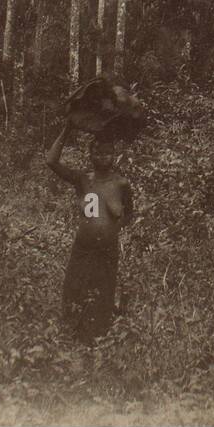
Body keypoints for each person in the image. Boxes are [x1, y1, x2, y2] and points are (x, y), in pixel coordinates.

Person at [45, 123, 134, 342]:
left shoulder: (121, 184)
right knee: (75, 287)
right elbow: (51, 161)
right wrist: (67, 130)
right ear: (90, 154)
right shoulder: (83, 179)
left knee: (104, 290)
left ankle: (98, 338)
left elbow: (129, 214)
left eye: (107, 153)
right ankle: (71, 333)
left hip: (107, 250)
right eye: (98, 152)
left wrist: (112, 229)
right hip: (83, 247)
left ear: (114, 155)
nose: (103, 157)